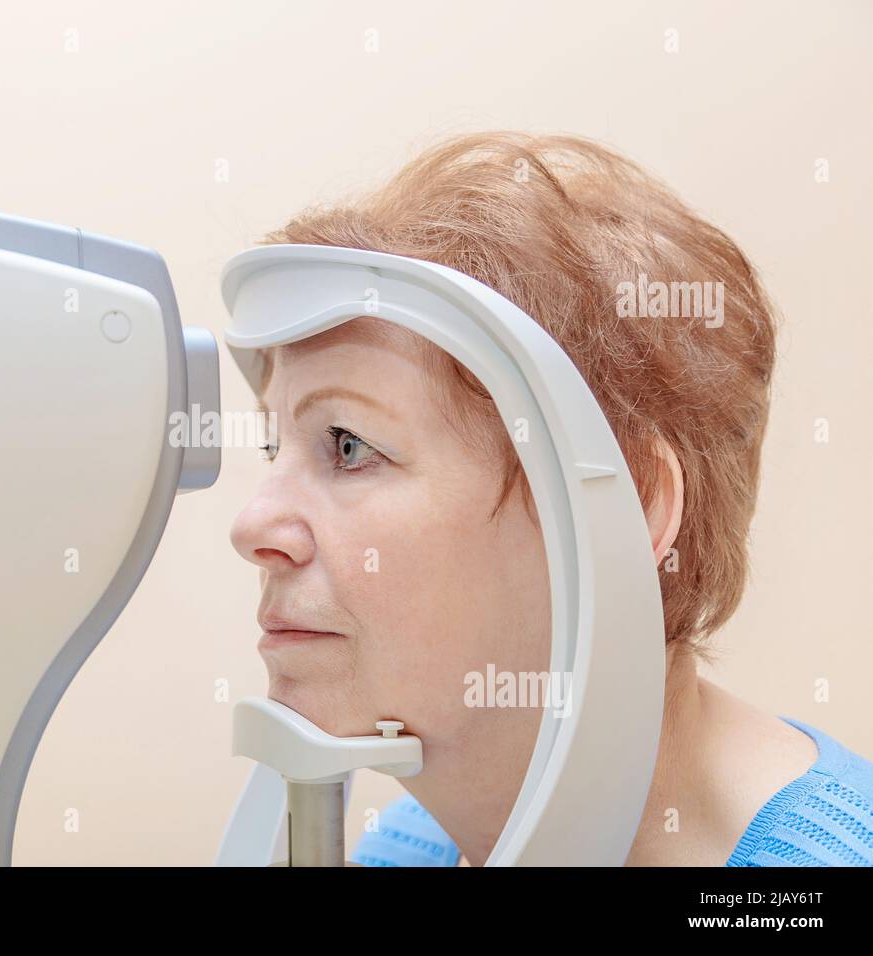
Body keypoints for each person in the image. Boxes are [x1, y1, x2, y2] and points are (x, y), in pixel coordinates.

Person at [227, 132, 873, 866]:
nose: (253, 528)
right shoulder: (405, 851)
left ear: (628, 507)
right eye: (275, 447)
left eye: (348, 445)